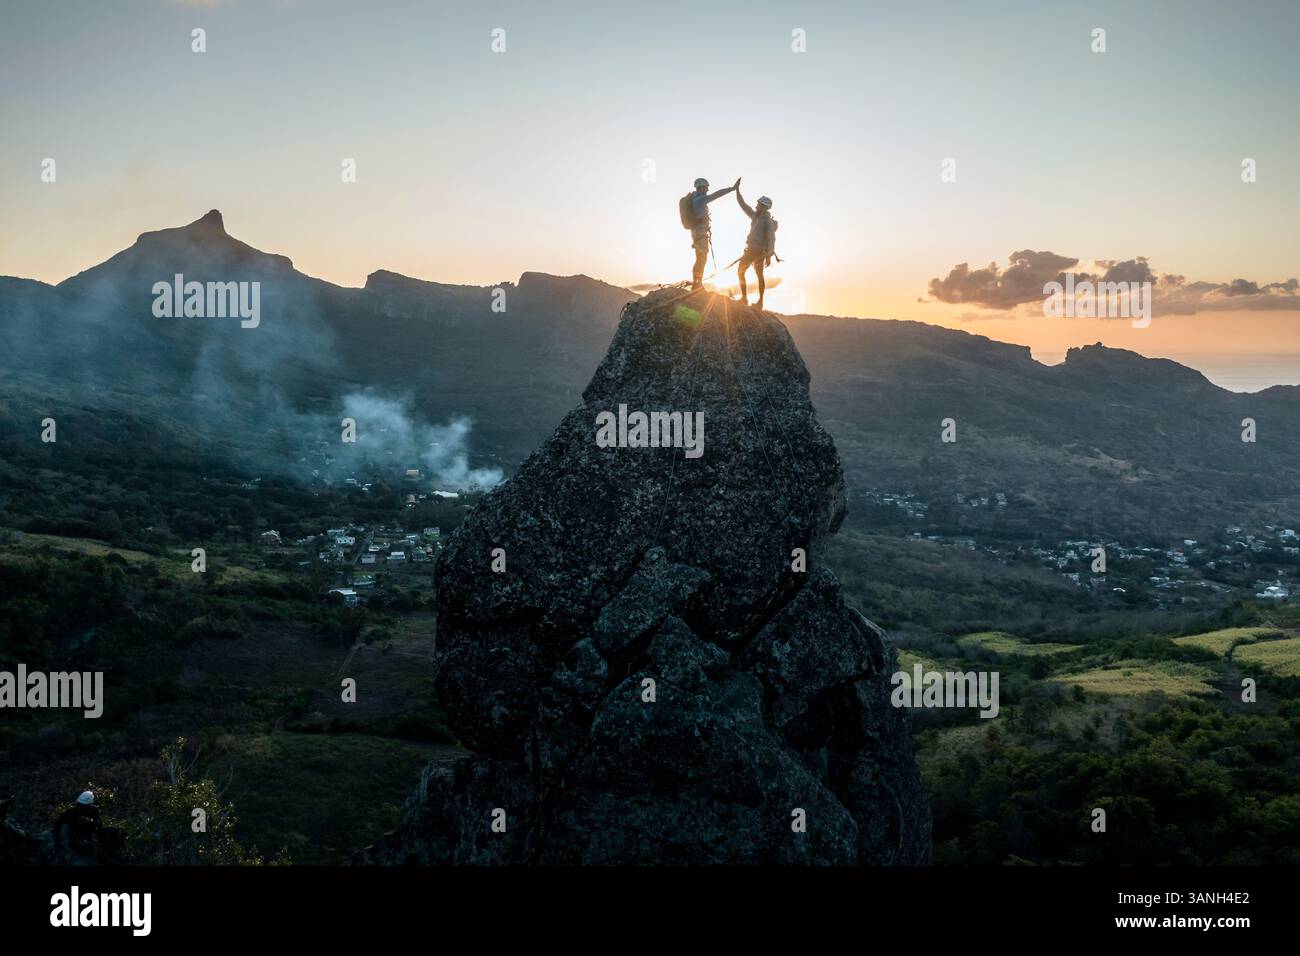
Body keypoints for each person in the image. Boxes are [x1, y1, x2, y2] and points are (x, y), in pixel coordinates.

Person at [684, 177, 740, 289]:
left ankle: (697, 283)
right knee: (701, 259)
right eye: (706, 187)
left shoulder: (695, 199)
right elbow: (716, 195)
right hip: (700, 233)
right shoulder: (700, 199)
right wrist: (732, 189)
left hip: (697, 233)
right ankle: (697, 284)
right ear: (701, 188)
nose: (707, 190)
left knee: (700, 258)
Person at [735, 188, 777, 310]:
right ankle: (747, 299)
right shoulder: (755, 216)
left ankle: (757, 301)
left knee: (755, 274)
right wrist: (737, 192)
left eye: (758, 204)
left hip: (758, 252)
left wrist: (769, 256)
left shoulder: (767, 222)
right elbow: (744, 206)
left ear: (764, 207)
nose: (756, 206)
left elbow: (771, 239)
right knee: (745, 273)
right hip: (751, 250)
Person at [52, 790, 101, 856]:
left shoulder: (93, 810)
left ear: (89, 805)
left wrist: (90, 820)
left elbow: (99, 822)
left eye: (82, 805)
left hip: (89, 836)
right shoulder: (70, 812)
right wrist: (57, 842)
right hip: (75, 838)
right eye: (79, 805)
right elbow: (57, 825)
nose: (80, 807)